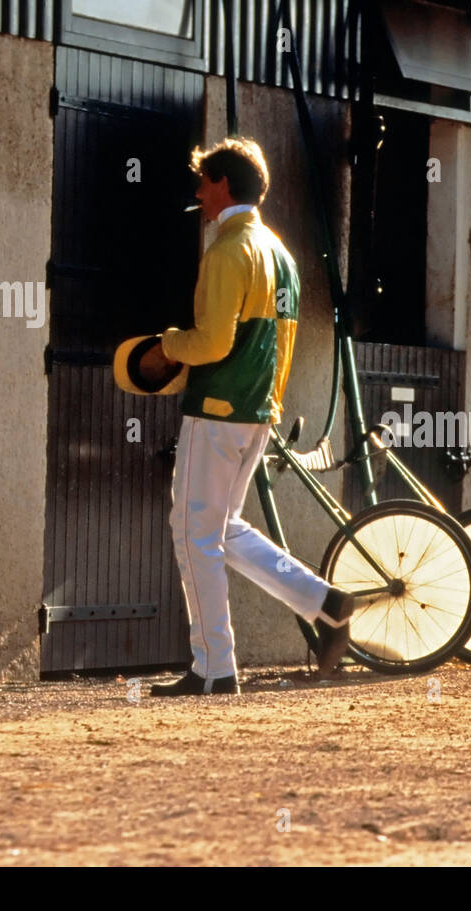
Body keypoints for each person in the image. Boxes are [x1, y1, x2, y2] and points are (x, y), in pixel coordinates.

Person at [133, 136, 355, 696]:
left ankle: (214, 669)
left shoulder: (228, 249)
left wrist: (165, 344)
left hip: (218, 408)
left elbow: (209, 343)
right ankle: (323, 601)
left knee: (193, 536)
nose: (199, 194)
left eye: (204, 183)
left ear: (223, 184)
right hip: (259, 410)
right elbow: (276, 341)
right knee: (221, 531)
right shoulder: (280, 253)